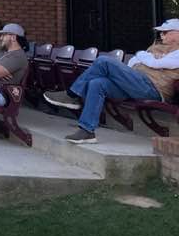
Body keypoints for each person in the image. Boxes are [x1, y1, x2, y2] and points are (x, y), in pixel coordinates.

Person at [45, 19, 179, 144]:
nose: (161, 35)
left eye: (166, 32)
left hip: (153, 89)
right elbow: (134, 61)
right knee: (97, 83)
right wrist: (145, 58)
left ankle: (71, 95)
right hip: (136, 82)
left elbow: (156, 63)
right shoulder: (156, 47)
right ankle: (87, 131)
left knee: (103, 61)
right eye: (161, 32)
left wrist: (146, 58)